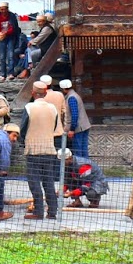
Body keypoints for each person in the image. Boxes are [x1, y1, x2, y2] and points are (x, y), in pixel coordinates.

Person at [18, 80, 64, 219]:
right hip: (49, 148)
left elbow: (23, 128)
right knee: (48, 181)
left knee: (34, 181)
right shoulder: (53, 108)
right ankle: (52, 211)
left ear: (33, 93)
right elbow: (55, 126)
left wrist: (24, 142)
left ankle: (38, 211)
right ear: (45, 93)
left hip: (33, 149)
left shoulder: (29, 107)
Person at [0, 0, 21, 78]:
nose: (3, 11)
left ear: (7, 8)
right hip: (2, 37)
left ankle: (11, 73)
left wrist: (5, 33)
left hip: (10, 37)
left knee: (10, 55)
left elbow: (13, 27)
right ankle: (3, 73)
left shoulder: (12, 16)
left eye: (4, 9)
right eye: (1, 9)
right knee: (2, 56)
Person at [62, 78, 92, 161]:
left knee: (78, 152)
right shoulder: (74, 95)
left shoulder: (71, 98)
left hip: (78, 128)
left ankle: (80, 170)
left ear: (64, 89)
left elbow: (75, 115)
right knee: (84, 150)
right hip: (84, 126)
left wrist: (72, 129)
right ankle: (86, 169)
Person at [37, 76, 70, 152]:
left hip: (44, 131)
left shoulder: (40, 97)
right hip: (58, 131)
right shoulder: (59, 95)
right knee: (59, 155)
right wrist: (65, 127)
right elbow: (64, 112)